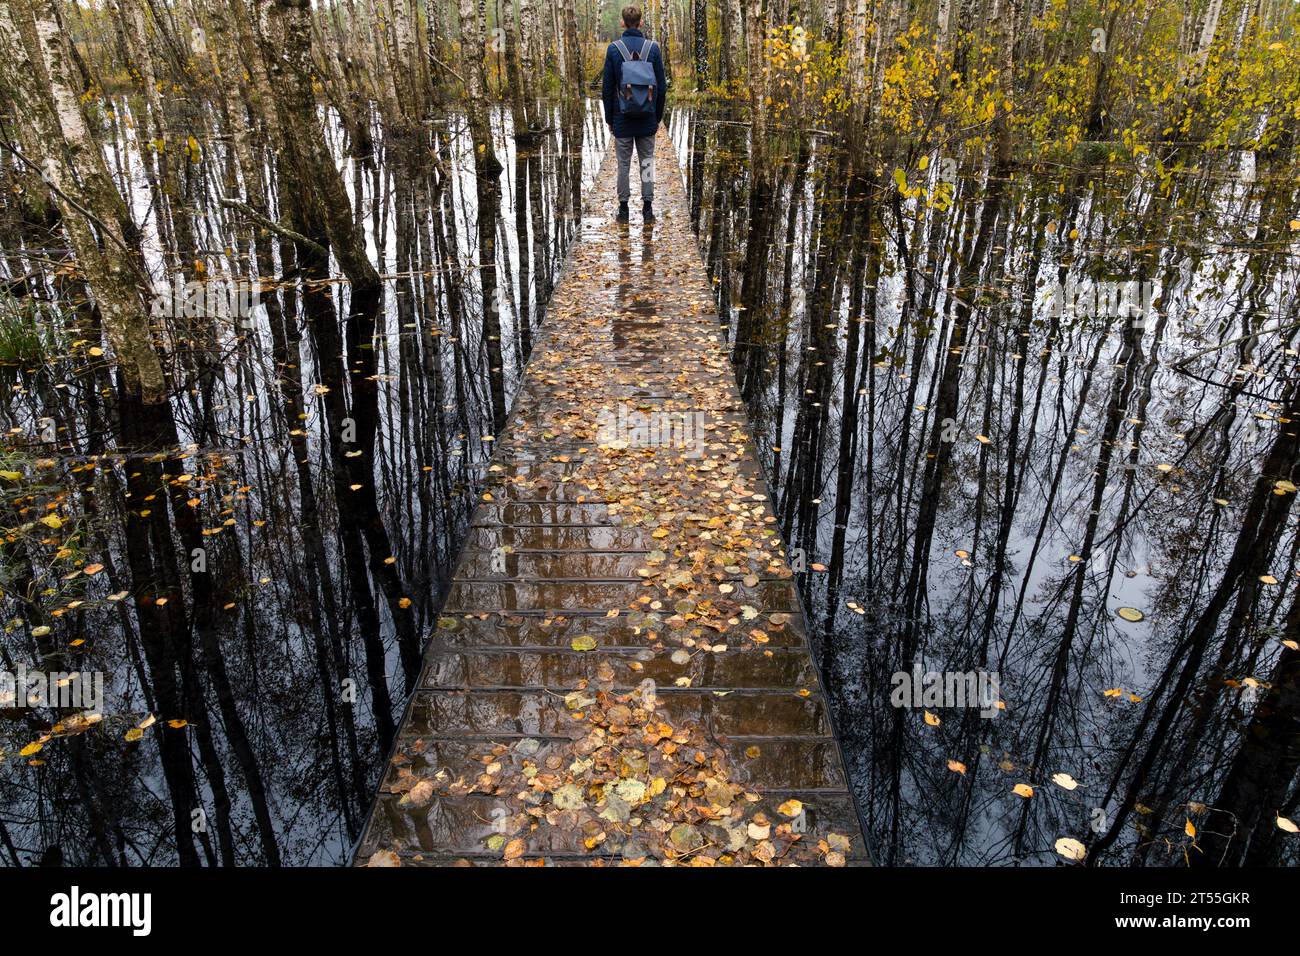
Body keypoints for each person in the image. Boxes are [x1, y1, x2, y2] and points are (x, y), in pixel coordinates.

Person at [601, 5, 667, 224]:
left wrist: (610, 119)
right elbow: (662, 88)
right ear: (640, 23)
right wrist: (656, 117)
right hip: (647, 117)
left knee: (623, 164)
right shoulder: (653, 49)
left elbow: (607, 88)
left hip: (622, 117)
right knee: (647, 162)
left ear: (622, 23)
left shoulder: (613, 49)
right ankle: (648, 209)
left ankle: (623, 210)